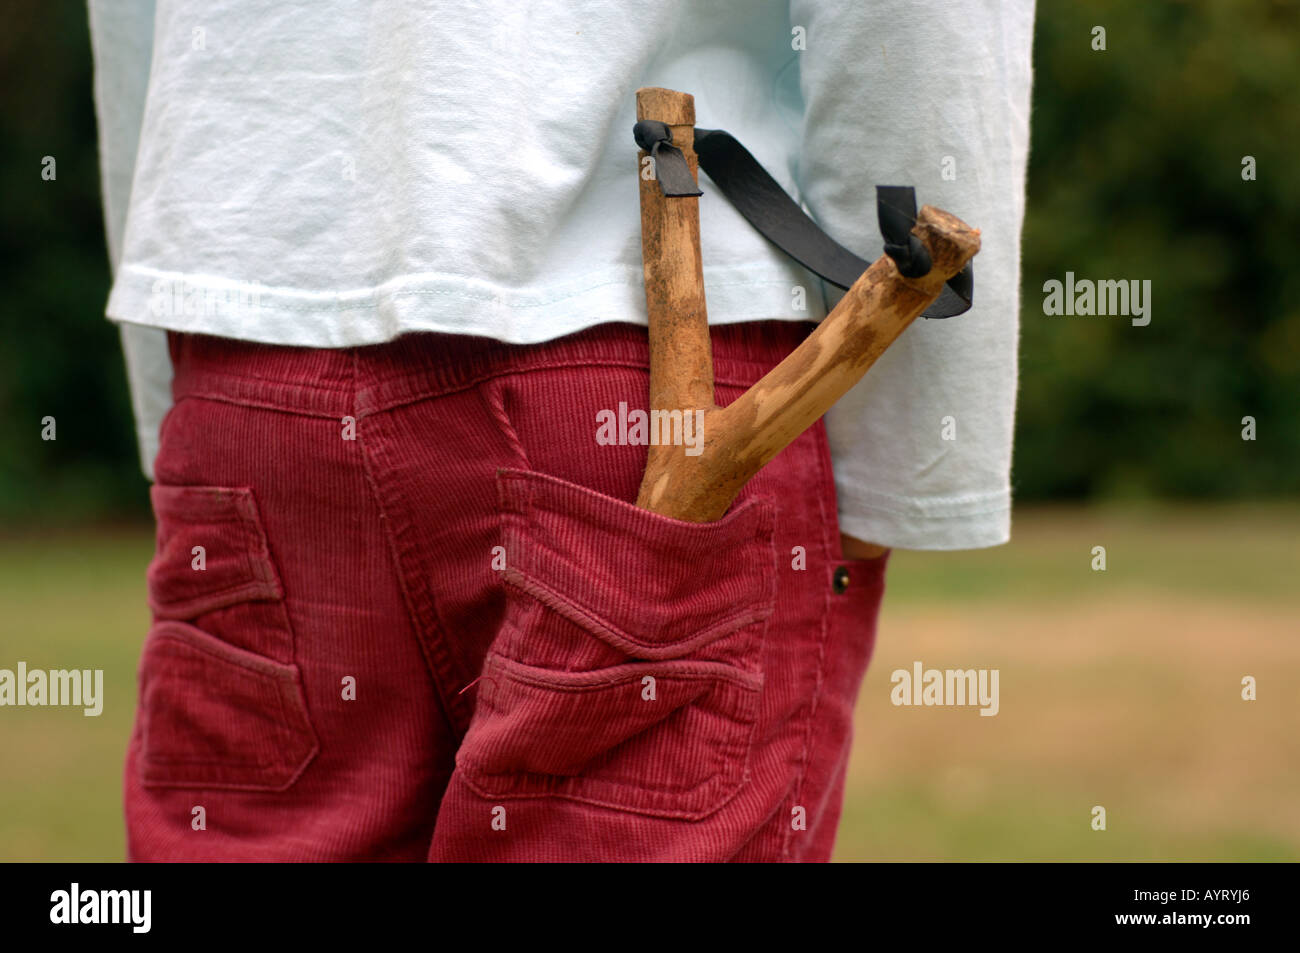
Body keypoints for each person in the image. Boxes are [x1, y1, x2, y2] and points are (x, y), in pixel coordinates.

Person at [89, 0, 1034, 862]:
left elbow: (140, 37)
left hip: (256, 373)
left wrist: (181, 405)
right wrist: (910, 460)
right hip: (631, 368)